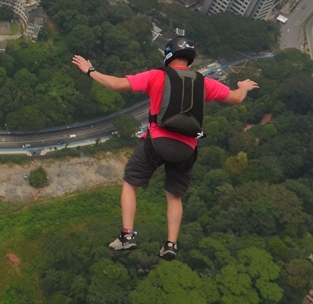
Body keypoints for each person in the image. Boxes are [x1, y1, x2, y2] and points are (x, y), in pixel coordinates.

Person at [71, 38, 257, 260]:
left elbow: (116, 84)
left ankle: (127, 236)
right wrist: (243, 87)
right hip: (187, 148)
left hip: (157, 142)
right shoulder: (204, 83)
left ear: (169, 55)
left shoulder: (157, 76)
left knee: (130, 184)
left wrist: (89, 70)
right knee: (174, 197)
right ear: (191, 59)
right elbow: (236, 98)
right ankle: (170, 244)